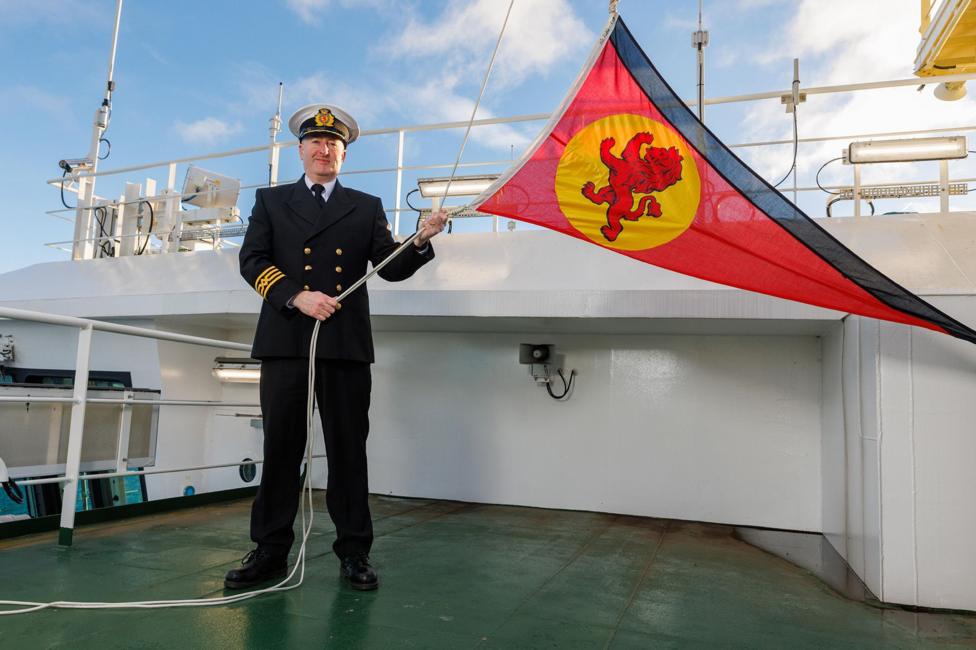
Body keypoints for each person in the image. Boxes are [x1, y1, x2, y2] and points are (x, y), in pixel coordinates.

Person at [225, 104, 447, 591]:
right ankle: (269, 551)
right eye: (316, 142)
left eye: (333, 144)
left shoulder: (365, 206)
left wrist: (420, 240)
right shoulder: (270, 201)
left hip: (344, 345)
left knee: (348, 452)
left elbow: (389, 267)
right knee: (281, 450)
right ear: (301, 149)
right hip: (286, 340)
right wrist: (296, 296)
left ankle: (354, 552)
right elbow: (252, 260)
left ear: (343, 155)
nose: (324, 150)